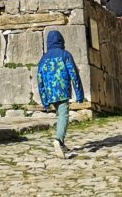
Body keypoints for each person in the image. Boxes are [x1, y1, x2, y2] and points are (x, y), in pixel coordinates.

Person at [36, 29, 85, 159]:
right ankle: (58, 139)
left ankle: (62, 143)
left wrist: (45, 100)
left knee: (60, 114)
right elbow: (74, 74)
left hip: (50, 92)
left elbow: (39, 80)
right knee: (64, 115)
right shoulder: (65, 55)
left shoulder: (43, 59)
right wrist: (79, 94)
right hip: (62, 90)